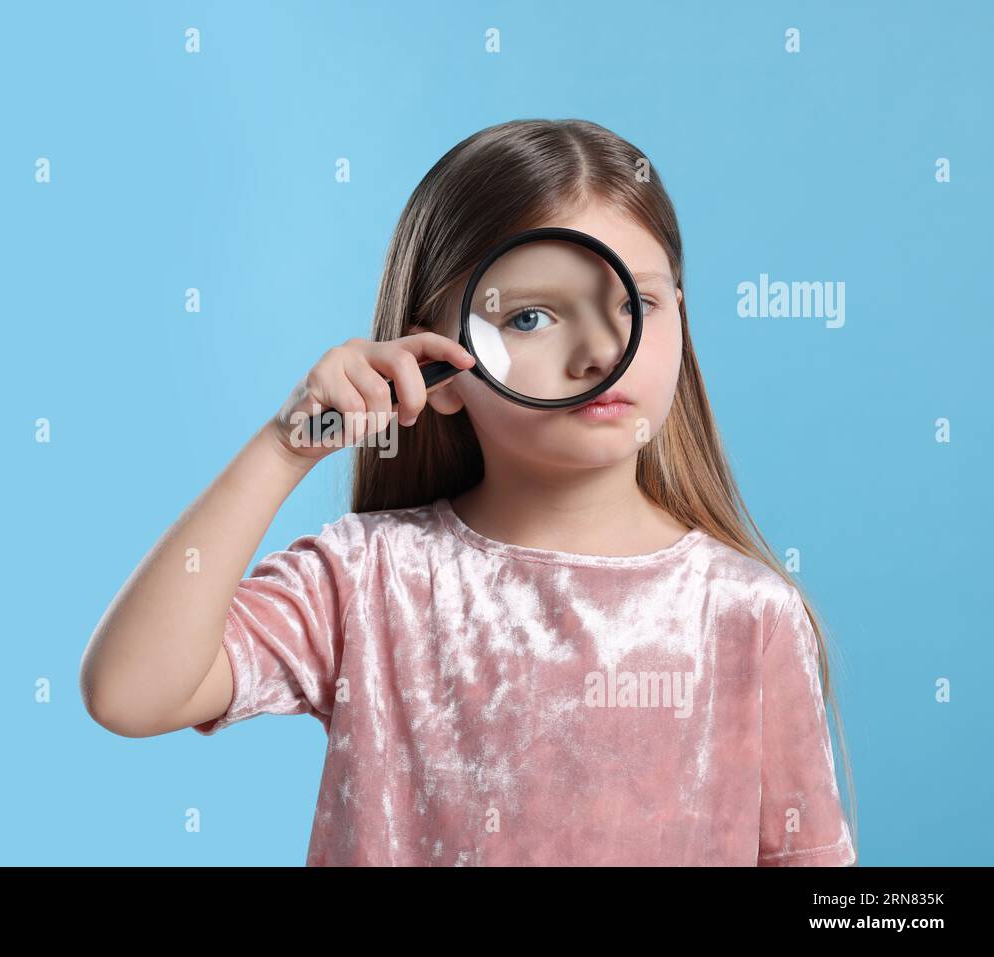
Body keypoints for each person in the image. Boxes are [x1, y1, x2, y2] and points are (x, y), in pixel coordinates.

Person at [80, 118, 858, 867]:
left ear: (680, 324)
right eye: (528, 316)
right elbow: (130, 691)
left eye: (634, 305)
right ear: (438, 367)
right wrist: (284, 447)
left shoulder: (747, 613)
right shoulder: (370, 578)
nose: (596, 351)